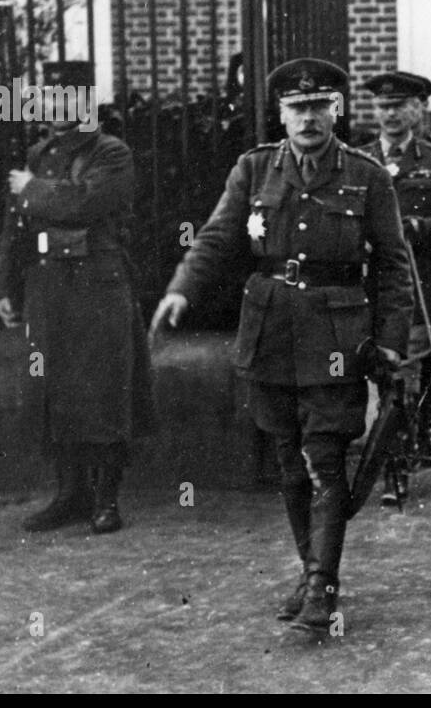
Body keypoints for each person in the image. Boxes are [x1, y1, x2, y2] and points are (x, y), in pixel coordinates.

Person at [152, 58, 412, 632]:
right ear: (281, 114)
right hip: (270, 330)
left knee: (324, 458)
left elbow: (395, 265)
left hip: (337, 334)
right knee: (289, 462)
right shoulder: (254, 170)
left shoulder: (367, 175)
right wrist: (181, 292)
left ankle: (322, 583)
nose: (309, 118)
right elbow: (218, 236)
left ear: (337, 111)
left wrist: (392, 341)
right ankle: (310, 570)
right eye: (298, 108)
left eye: (320, 107)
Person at [0, 61, 157, 535]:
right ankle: (70, 494)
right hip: (46, 285)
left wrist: (34, 189)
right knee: (55, 388)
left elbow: (88, 203)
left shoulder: (112, 152)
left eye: (69, 98)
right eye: (50, 97)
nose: (56, 106)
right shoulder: (39, 153)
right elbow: (14, 227)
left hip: (98, 283)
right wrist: (4, 287)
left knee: (103, 389)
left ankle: (106, 499)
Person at [362, 71, 431, 484]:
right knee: (387, 369)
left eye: (400, 105)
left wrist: (421, 227)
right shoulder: (360, 159)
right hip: (375, 286)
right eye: (384, 106)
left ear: (418, 109)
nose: (391, 114)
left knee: (414, 368)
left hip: (423, 282)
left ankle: (409, 446)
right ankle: (398, 444)